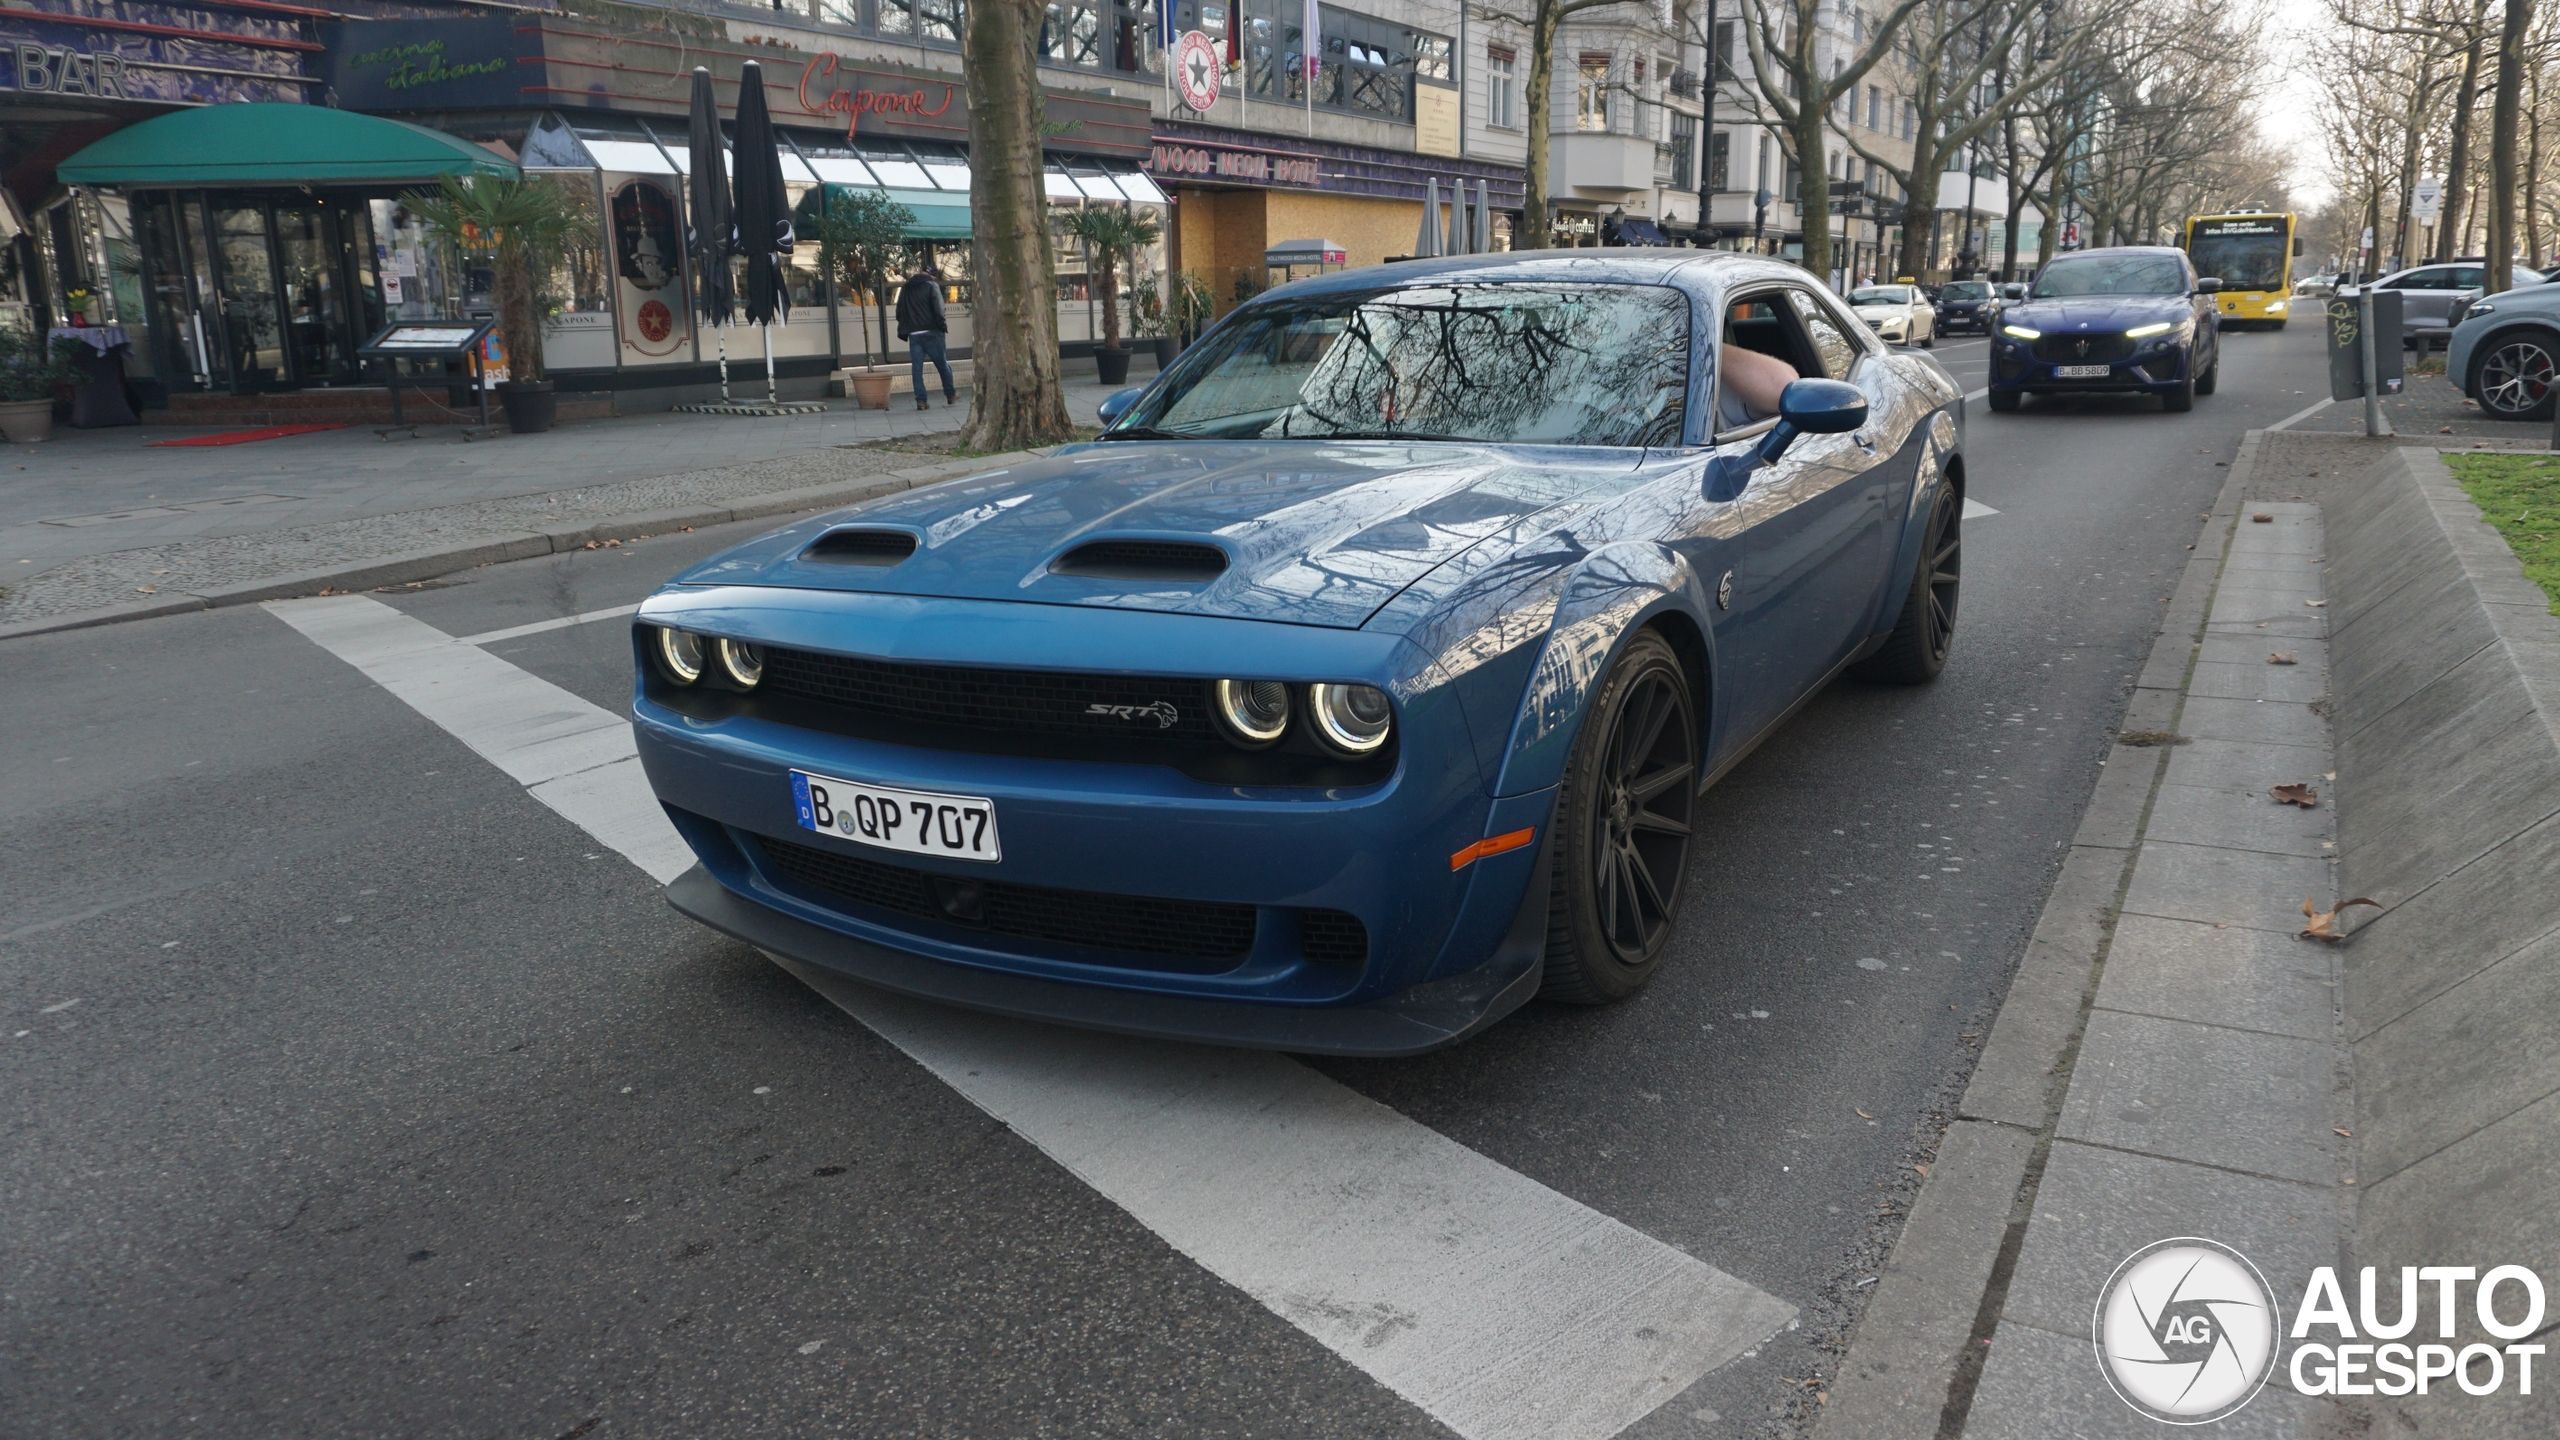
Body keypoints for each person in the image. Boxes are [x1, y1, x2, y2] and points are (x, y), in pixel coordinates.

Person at [895, 264, 955, 410]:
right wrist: (942, 326)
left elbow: (899, 312)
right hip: (933, 332)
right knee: (942, 365)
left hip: (914, 334)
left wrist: (907, 327)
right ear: (933, 276)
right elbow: (940, 310)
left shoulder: (906, 288)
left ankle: (921, 400)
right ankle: (950, 394)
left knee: (917, 369)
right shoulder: (932, 286)